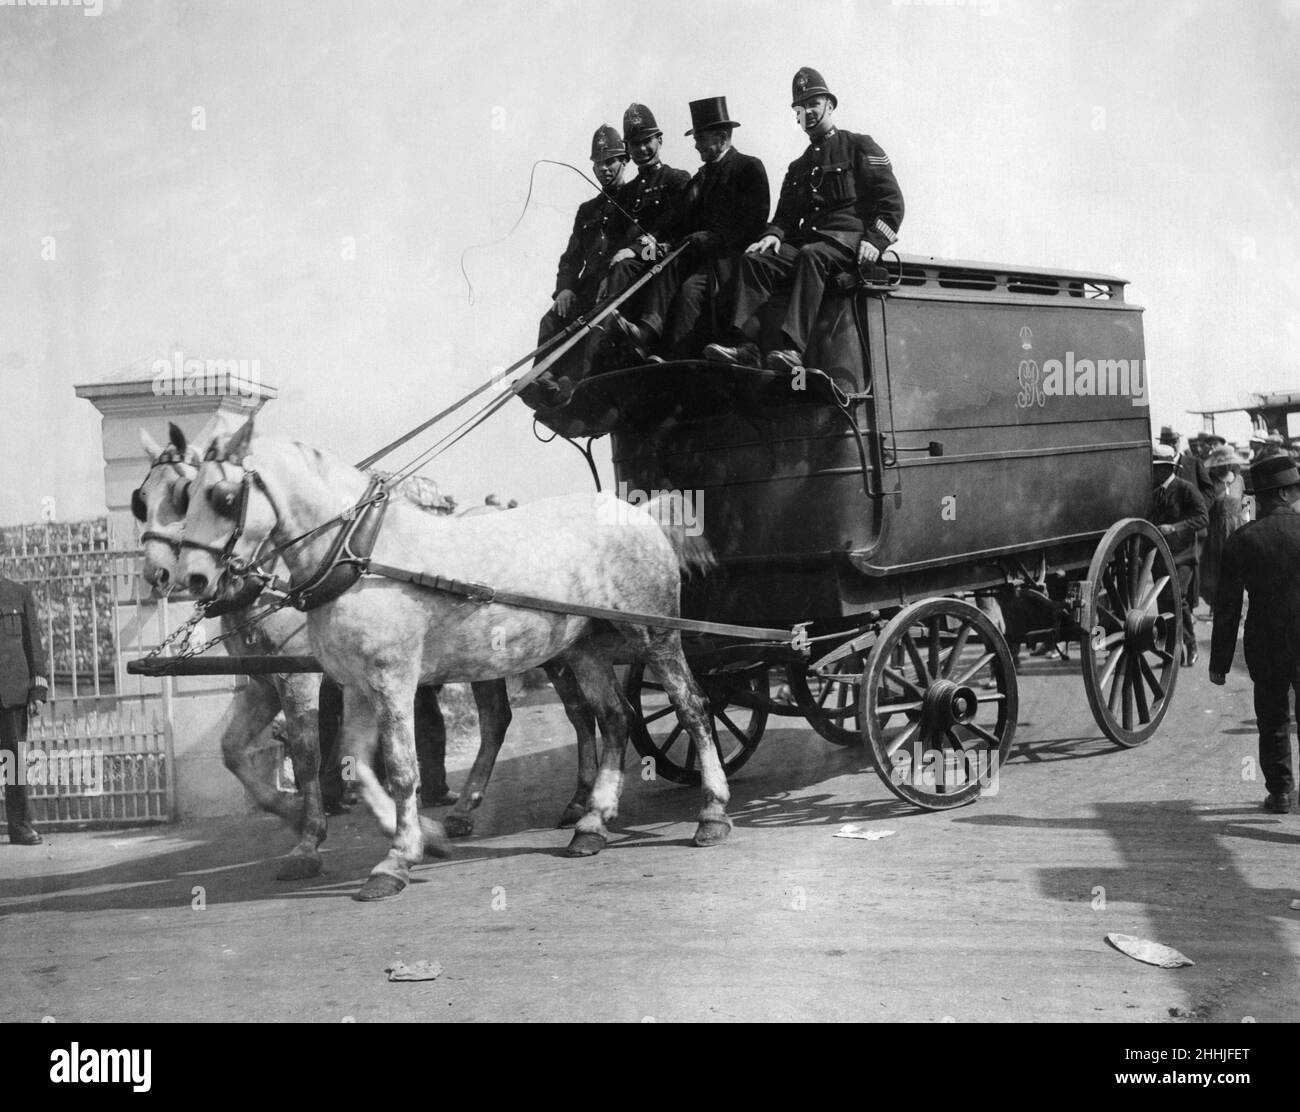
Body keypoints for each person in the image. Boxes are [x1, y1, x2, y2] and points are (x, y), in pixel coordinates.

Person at [704, 66, 904, 371]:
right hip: (812, 245)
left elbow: (891, 202)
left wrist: (875, 241)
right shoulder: (798, 166)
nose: (807, 112)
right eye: (800, 108)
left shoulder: (859, 145)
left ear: (830, 105)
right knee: (756, 259)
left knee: (812, 255)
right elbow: (784, 216)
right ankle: (746, 346)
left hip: (847, 244)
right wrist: (773, 235)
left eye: (813, 104)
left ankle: (792, 350)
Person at [609, 96, 770, 360]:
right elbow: (675, 220)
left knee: (688, 293)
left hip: (729, 259)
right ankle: (648, 332)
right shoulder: (700, 178)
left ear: (721, 136)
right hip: (697, 256)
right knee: (669, 264)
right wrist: (648, 247)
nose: (695, 145)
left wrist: (714, 237)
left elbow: (755, 220)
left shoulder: (748, 167)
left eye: (700, 138)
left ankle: (673, 357)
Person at [1210, 454, 1300, 814]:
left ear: (1265, 496)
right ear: (1286, 493)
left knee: (1273, 719)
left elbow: (1228, 608)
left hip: (1266, 643)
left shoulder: (1243, 539)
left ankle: (1279, 793)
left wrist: (1219, 663)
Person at [529, 125, 631, 402]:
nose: (604, 169)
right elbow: (571, 258)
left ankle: (577, 385)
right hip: (587, 288)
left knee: (596, 324)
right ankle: (544, 378)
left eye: (610, 161)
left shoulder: (634, 199)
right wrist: (564, 288)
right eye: (598, 163)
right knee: (552, 318)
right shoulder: (588, 210)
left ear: (625, 160)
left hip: (619, 285)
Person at [599, 104, 692, 304]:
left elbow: (671, 226)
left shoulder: (677, 179)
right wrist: (606, 274)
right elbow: (614, 238)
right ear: (628, 149)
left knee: (623, 266)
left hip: (662, 253)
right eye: (634, 144)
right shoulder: (626, 192)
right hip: (629, 261)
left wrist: (635, 249)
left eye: (646, 141)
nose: (641, 149)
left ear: (659, 140)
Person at [1150, 443, 1208, 666]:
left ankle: (1190, 643)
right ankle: (1172, 654)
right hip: (1161, 558)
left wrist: (1175, 528)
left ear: (1166, 468)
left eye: (1156, 468)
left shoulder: (1185, 488)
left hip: (1182, 557)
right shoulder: (1154, 494)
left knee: (1178, 599)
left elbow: (1203, 518)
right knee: (1164, 605)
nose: (1153, 472)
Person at [0, 575, 47, 845]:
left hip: (12, 694)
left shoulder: (18, 593)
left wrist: (37, 691)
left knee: (14, 763)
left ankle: (19, 827)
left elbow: (33, 645)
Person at [1199, 444, 1251, 614]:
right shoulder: (1210, 481)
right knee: (1217, 567)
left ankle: (1237, 605)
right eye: (1222, 463)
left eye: (1229, 462)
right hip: (1217, 530)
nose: (1226, 466)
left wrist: (1248, 524)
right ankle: (1216, 604)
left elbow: (1246, 504)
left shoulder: (1239, 479)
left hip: (1238, 528)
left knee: (1238, 566)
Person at [1158, 425, 1214, 502]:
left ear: (1179, 441)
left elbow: (1209, 491)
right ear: (1160, 443)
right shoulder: (1156, 466)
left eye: (1174, 442)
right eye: (1166, 442)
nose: (1170, 445)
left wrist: (1199, 508)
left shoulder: (1194, 464)